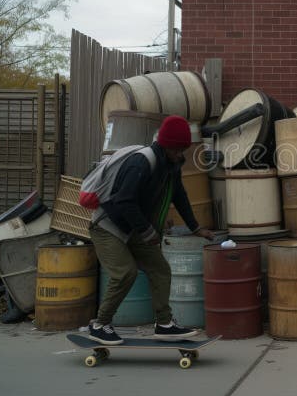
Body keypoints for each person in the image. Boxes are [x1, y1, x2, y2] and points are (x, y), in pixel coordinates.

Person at [88, 115, 215, 345]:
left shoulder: (171, 165)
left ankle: (164, 324)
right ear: (166, 144)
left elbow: (180, 196)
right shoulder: (142, 162)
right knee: (125, 273)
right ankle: (100, 324)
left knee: (160, 268)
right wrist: (148, 232)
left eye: (184, 149)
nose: (181, 154)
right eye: (178, 149)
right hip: (107, 226)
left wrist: (196, 228)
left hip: (133, 227)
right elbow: (124, 201)